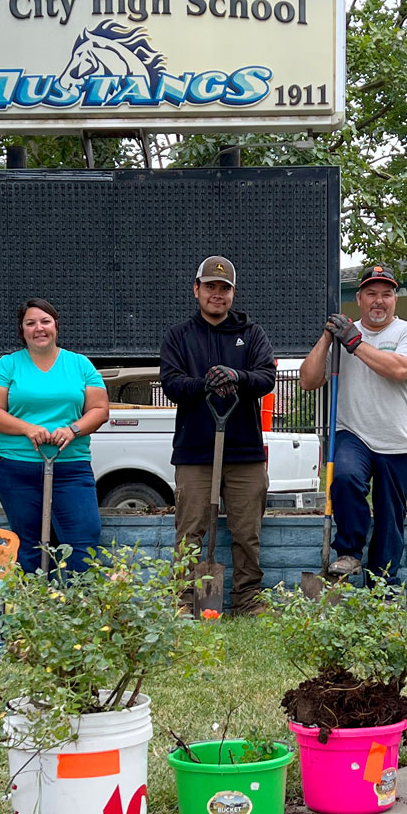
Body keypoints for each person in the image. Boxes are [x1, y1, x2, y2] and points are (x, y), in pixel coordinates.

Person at [298, 263, 407, 586]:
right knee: (343, 477)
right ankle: (349, 552)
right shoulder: (343, 335)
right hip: (353, 433)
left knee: (389, 520)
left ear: (395, 300)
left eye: (386, 294)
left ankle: (382, 589)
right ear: (359, 298)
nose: (379, 301)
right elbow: (307, 380)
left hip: (399, 441)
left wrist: (354, 342)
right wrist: (328, 338)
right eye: (371, 293)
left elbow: (399, 370)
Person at [160, 255, 277, 615]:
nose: (217, 294)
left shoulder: (252, 333)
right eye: (210, 286)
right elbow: (171, 384)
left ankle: (247, 599)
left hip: (244, 451)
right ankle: (184, 600)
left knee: (247, 532)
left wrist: (237, 377)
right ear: (196, 290)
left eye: (223, 288)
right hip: (195, 451)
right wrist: (204, 384)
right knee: (190, 530)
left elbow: (266, 377)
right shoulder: (178, 336)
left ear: (233, 293)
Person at [0, 299, 110, 574]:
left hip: (70, 466)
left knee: (83, 543)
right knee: (29, 545)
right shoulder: (7, 365)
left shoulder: (80, 364)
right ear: (22, 330)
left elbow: (99, 409)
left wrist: (72, 429)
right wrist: (28, 428)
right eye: (31, 323)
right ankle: (35, 610)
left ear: (56, 326)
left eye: (45, 321)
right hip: (17, 466)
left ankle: (76, 608)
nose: (39, 328)